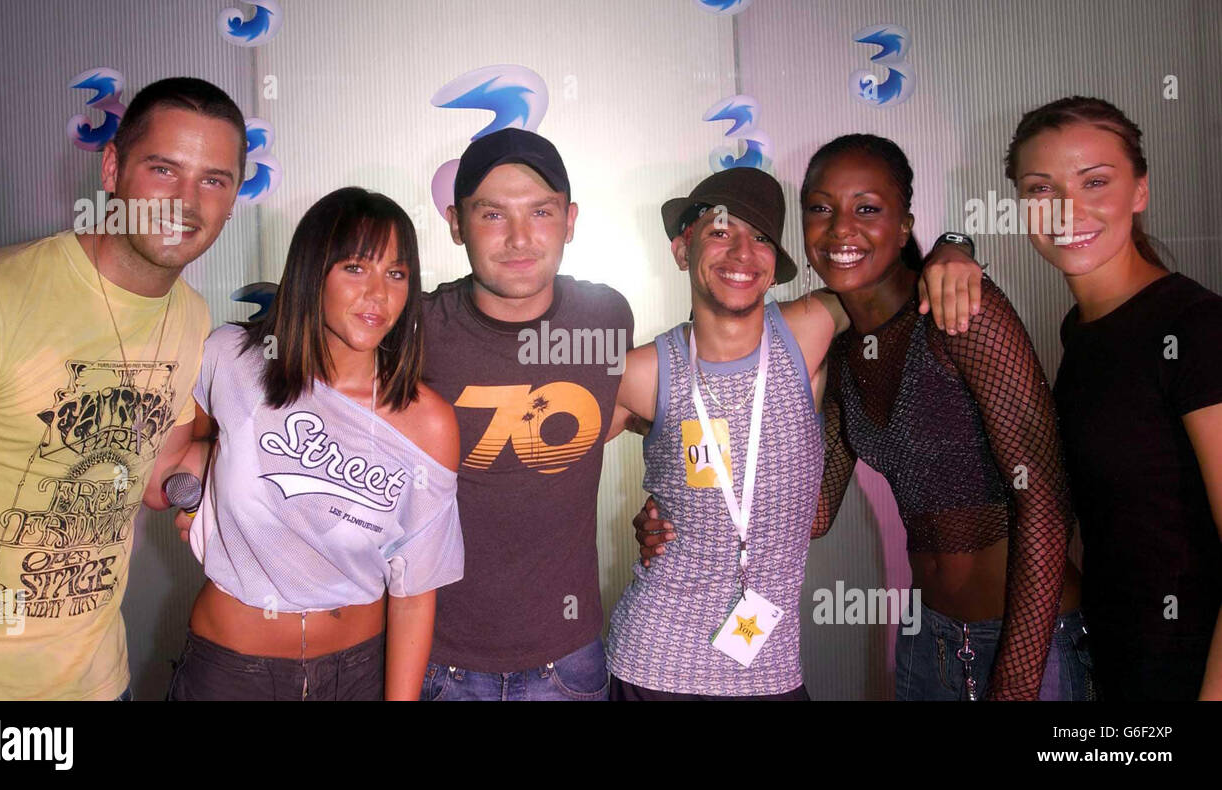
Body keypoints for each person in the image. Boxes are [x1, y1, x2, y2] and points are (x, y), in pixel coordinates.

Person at [0, 77, 245, 700]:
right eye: (162, 169)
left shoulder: (190, 317)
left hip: (100, 683)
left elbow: (158, 475)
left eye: (213, 179)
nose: (185, 202)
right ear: (112, 169)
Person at [606, 167, 984, 699]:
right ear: (681, 247)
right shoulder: (641, 372)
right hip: (654, 664)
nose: (741, 253)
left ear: (775, 262)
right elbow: (537, 464)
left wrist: (953, 245)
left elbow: (896, 276)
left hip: (771, 668)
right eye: (719, 232)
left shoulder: (811, 326)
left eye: (760, 237)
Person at [805, 134, 1084, 701]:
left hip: (1027, 642)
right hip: (927, 640)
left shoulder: (960, 312)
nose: (840, 228)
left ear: (904, 226)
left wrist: (1018, 677)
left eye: (867, 208)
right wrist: (685, 498)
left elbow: (1046, 497)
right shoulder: (840, 349)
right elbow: (814, 512)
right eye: (820, 208)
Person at [165, 187, 462, 701]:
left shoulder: (428, 422)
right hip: (228, 674)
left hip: (356, 675)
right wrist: (194, 493)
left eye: (396, 274)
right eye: (355, 268)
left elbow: (414, 592)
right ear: (312, 271)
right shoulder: (231, 359)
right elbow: (181, 456)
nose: (379, 294)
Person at [1004, 97, 1222, 700]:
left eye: (1095, 181)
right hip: (1116, 664)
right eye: (1041, 187)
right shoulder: (1082, 330)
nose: (1067, 209)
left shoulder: (1196, 327)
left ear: (1140, 191)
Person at [417, 129, 633, 700]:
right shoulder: (413, 329)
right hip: (439, 663)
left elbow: (664, 395)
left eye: (541, 212)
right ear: (456, 223)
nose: (519, 238)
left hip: (570, 660)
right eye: (492, 215)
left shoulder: (605, 317)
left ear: (570, 219)